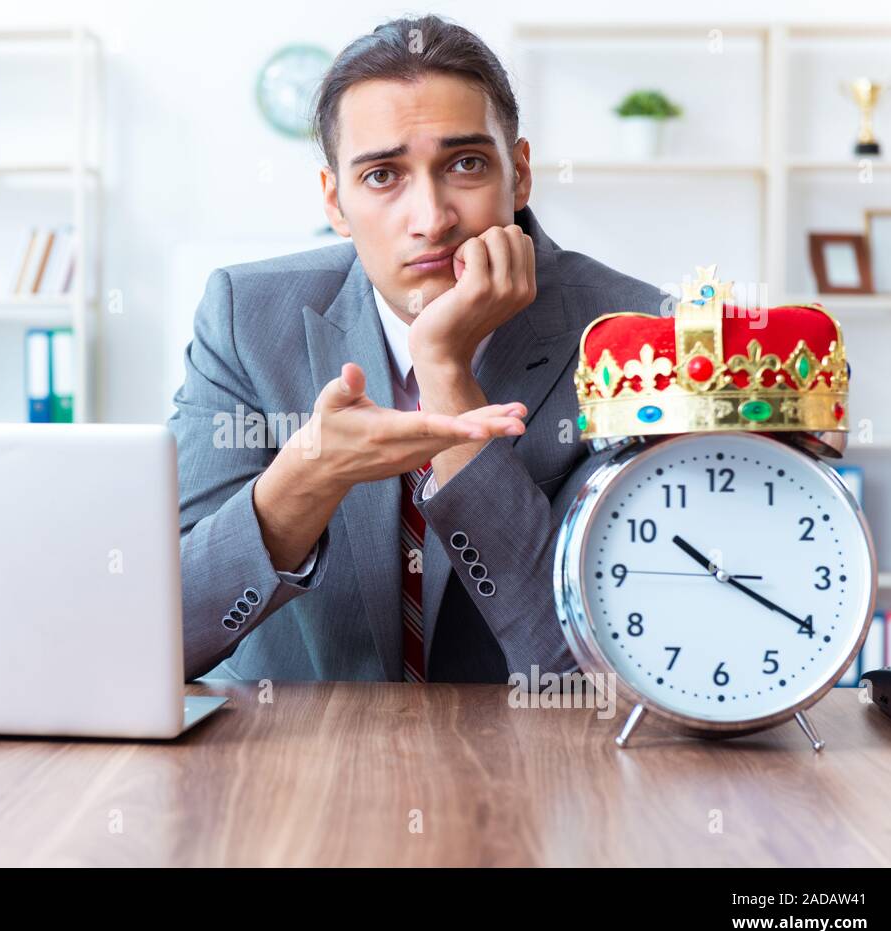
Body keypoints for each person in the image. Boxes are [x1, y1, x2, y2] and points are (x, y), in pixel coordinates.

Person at [168, 14, 662, 682]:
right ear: (334, 201)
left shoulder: (631, 333)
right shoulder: (244, 318)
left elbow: (585, 670)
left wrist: (446, 372)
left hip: (533, 766)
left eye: (465, 164)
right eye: (382, 176)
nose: (431, 219)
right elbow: (165, 638)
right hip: (292, 765)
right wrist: (307, 474)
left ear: (519, 175)